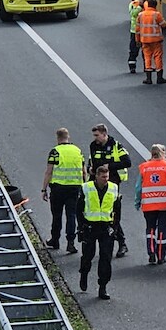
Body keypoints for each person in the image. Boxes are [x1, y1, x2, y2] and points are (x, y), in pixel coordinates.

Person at [88, 123, 132, 258]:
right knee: (98, 214)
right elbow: (93, 164)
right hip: (97, 184)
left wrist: (110, 166)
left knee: (111, 214)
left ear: (104, 134)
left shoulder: (115, 145)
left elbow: (127, 162)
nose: (95, 138)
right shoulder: (93, 146)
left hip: (112, 183)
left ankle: (121, 243)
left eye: (97, 135)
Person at [75, 165, 119, 300]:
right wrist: (81, 226)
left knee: (106, 258)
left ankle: (103, 287)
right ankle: (84, 274)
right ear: (96, 176)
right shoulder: (86, 187)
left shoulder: (113, 188)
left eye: (107, 176)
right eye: (103, 177)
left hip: (106, 227)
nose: (105, 179)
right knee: (88, 255)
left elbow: (117, 209)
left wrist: (115, 228)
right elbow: (79, 209)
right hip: (90, 226)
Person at [41, 127, 85, 255]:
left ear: (57, 138)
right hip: (74, 188)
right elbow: (84, 171)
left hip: (58, 188)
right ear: (68, 137)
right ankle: (70, 243)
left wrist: (44, 189)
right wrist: (84, 186)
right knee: (71, 215)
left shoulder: (55, 152)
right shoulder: (77, 151)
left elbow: (49, 172)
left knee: (57, 215)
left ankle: (55, 240)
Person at [134, 143, 166, 265]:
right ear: (163, 153)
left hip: (149, 204)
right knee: (163, 229)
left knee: (150, 228)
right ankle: (161, 255)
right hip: (165, 204)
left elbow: (138, 187)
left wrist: (137, 201)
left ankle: (151, 252)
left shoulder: (144, 167)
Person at [138, 0, 166, 85]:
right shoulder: (157, 14)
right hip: (156, 40)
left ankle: (148, 79)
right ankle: (159, 78)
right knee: (158, 57)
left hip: (145, 41)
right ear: (155, 6)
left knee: (147, 58)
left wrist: (138, 40)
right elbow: (163, 25)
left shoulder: (141, 15)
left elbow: (137, 29)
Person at [127, 0, 147, 74]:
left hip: (145, 32)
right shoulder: (133, 4)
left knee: (146, 50)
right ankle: (132, 67)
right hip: (135, 32)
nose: (144, 0)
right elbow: (133, 14)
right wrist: (139, 7)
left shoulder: (147, 4)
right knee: (133, 50)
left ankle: (147, 67)